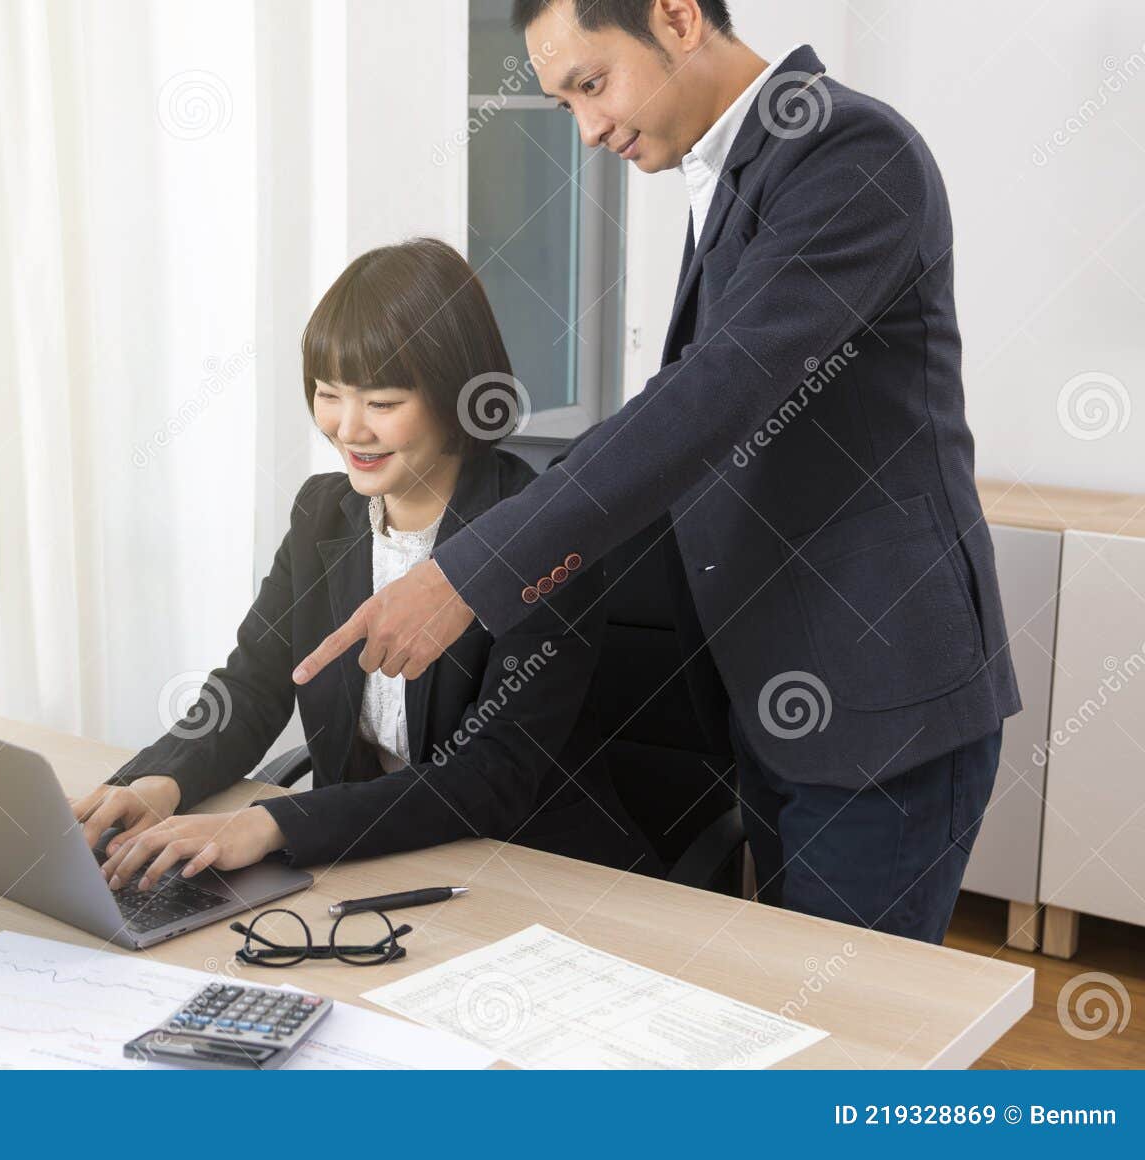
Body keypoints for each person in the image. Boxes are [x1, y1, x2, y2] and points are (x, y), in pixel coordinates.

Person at [294, 0, 1021, 945]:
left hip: (880, 695)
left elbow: (711, 398)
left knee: (851, 1043)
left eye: (592, 85)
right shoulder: (728, 173)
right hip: (780, 690)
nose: (589, 129)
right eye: (564, 103)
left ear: (676, 16)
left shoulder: (851, 151)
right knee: (786, 1005)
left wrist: (468, 573)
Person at [71, 237, 657, 892]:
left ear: (456, 395)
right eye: (328, 393)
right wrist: (161, 780)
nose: (349, 428)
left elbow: (489, 778)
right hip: (372, 863)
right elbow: (255, 684)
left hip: (534, 873)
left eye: (382, 403)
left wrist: (272, 824)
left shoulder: (534, 533)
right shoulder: (324, 514)